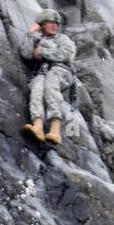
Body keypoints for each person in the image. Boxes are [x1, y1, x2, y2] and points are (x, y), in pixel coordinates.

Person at [20, 9, 76, 146]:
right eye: (50, 22)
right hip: (43, 72)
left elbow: (67, 54)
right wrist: (31, 33)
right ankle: (37, 125)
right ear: (42, 25)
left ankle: (55, 130)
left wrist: (41, 51)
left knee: (51, 84)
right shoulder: (37, 39)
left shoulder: (62, 39)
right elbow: (26, 54)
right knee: (37, 89)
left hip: (62, 71)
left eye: (56, 23)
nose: (54, 26)